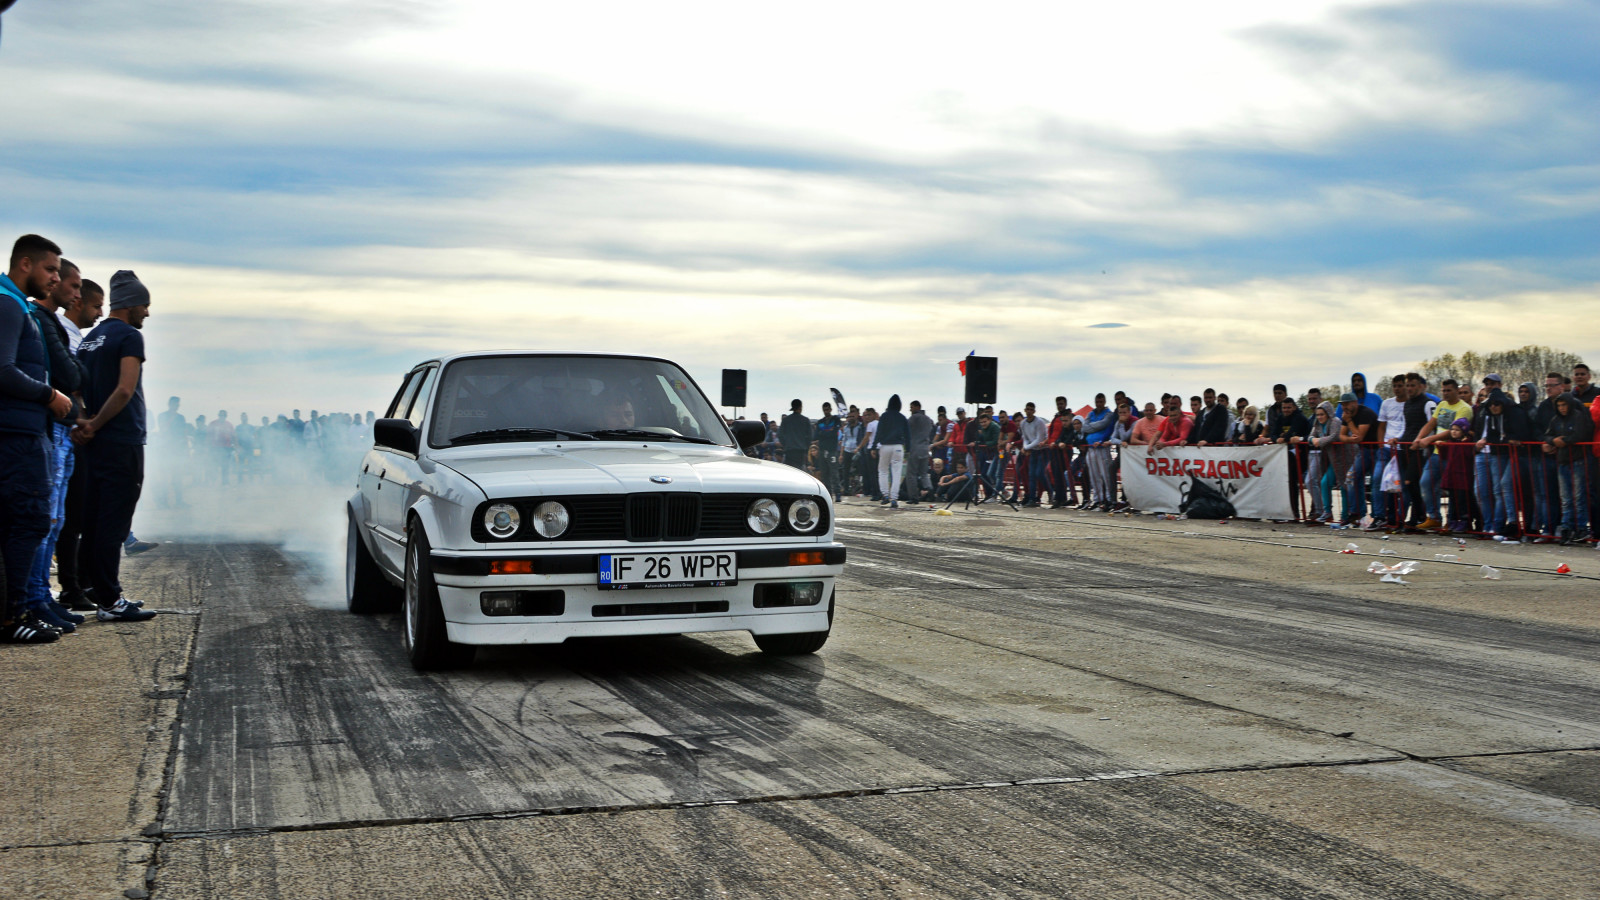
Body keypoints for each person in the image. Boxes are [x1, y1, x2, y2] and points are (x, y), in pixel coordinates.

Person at [0, 234, 74, 643]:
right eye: (50, 270)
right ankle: (15, 617)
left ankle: (20, 610)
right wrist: (50, 395)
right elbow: (3, 369)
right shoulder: (8, 304)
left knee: (21, 524)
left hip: (22, 432)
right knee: (27, 523)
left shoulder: (16, 305)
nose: (54, 279)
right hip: (16, 436)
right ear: (24, 264)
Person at [72, 270, 158, 623]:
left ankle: (90, 586)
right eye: (146, 305)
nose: (147, 314)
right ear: (131, 304)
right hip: (121, 440)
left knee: (91, 518)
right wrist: (96, 423)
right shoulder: (128, 338)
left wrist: (84, 423)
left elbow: (75, 388)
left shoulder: (89, 339)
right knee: (114, 521)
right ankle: (111, 600)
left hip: (94, 445)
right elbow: (125, 390)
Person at [1544, 393, 1591, 544]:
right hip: (1562, 461)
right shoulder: (1555, 419)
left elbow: (1579, 435)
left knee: (1579, 496)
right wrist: (1553, 440)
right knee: (1566, 498)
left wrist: (1563, 440)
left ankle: (1581, 528)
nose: (1562, 408)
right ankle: (1567, 528)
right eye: (1559, 405)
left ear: (1570, 404)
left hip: (1577, 460)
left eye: (1564, 405)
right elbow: (1548, 435)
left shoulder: (1578, 416)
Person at [1337, 393, 1377, 524]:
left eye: (1347, 404)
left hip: (1376, 450)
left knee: (1375, 483)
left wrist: (1349, 421)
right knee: (1352, 477)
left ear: (1355, 402)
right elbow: (1341, 436)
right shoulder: (1346, 414)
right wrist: (1350, 438)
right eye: (1342, 404)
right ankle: (1356, 513)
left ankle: (1377, 515)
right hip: (1364, 450)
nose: (1344, 407)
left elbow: (1360, 437)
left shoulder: (1365, 413)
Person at [1080, 394, 1115, 510]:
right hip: (1090, 447)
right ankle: (1098, 499)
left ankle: (1110, 499)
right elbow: (1084, 428)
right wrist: (1095, 427)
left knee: (1106, 475)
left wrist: (1091, 426)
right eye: (1097, 401)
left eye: (1101, 401)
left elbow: (1104, 424)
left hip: (1102, 447)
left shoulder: (1109, 413)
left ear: (1104, 401)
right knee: (1094, 475)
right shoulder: (1091, 413)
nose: (1099, 403)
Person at [874, 395, 909, 508]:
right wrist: (908, 449)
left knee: (883, 471)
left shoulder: (884, 416)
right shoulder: (902, 417)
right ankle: (894, 498)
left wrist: (874, 446)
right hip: (898, 446)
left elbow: (879, 432)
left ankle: (885, 495)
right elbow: (908, 435)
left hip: (885, 446)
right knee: (896, 472)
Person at [1017, 402, 1048, 507]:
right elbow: (1025, 437)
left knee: (1039, 473)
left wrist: (1026, 447)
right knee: (1031, 475)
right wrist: (1026, 446)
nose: (1029, 411)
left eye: (1031, 409)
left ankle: (1050, 490)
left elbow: (1039, 439)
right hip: (1033, 450)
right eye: (1027, 409)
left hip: (1042, 449)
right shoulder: (1023, 423)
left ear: (1034, 411)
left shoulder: (1039, 422)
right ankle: (1031, 498)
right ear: (1025, 410)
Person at [905, 400, 934, 501]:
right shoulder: (928, 419)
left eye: (912, 407)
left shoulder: (913, 418)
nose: (910, 410)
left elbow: (906, 430)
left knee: (911, 474)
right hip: (925, 449)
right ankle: (930, 490)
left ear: (917, 407)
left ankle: (913, 497)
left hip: (915, 448)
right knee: (924, 473)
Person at [813, 401, 842, 501]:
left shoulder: (836, 419)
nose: (826, 411)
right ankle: (829, 494)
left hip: (832, 450)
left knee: (834, 472)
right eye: (824, 410)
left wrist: (823, 433)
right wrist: (828, 432)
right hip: (822, 450)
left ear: (830, 409)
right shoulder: (820, 422)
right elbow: (816, 435)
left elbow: (834, 433)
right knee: (824, 474)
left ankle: (838, 494)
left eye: (827, 409)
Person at [778, 399, 812, 470]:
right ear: (801, 407)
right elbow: (810, 437)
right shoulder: (805, 420)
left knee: (790, 470)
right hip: (801, 451)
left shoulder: (785, 420)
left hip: (789, 451)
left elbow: (780, 435)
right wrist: (806, 447)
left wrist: (786, 444)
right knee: (800, 471)